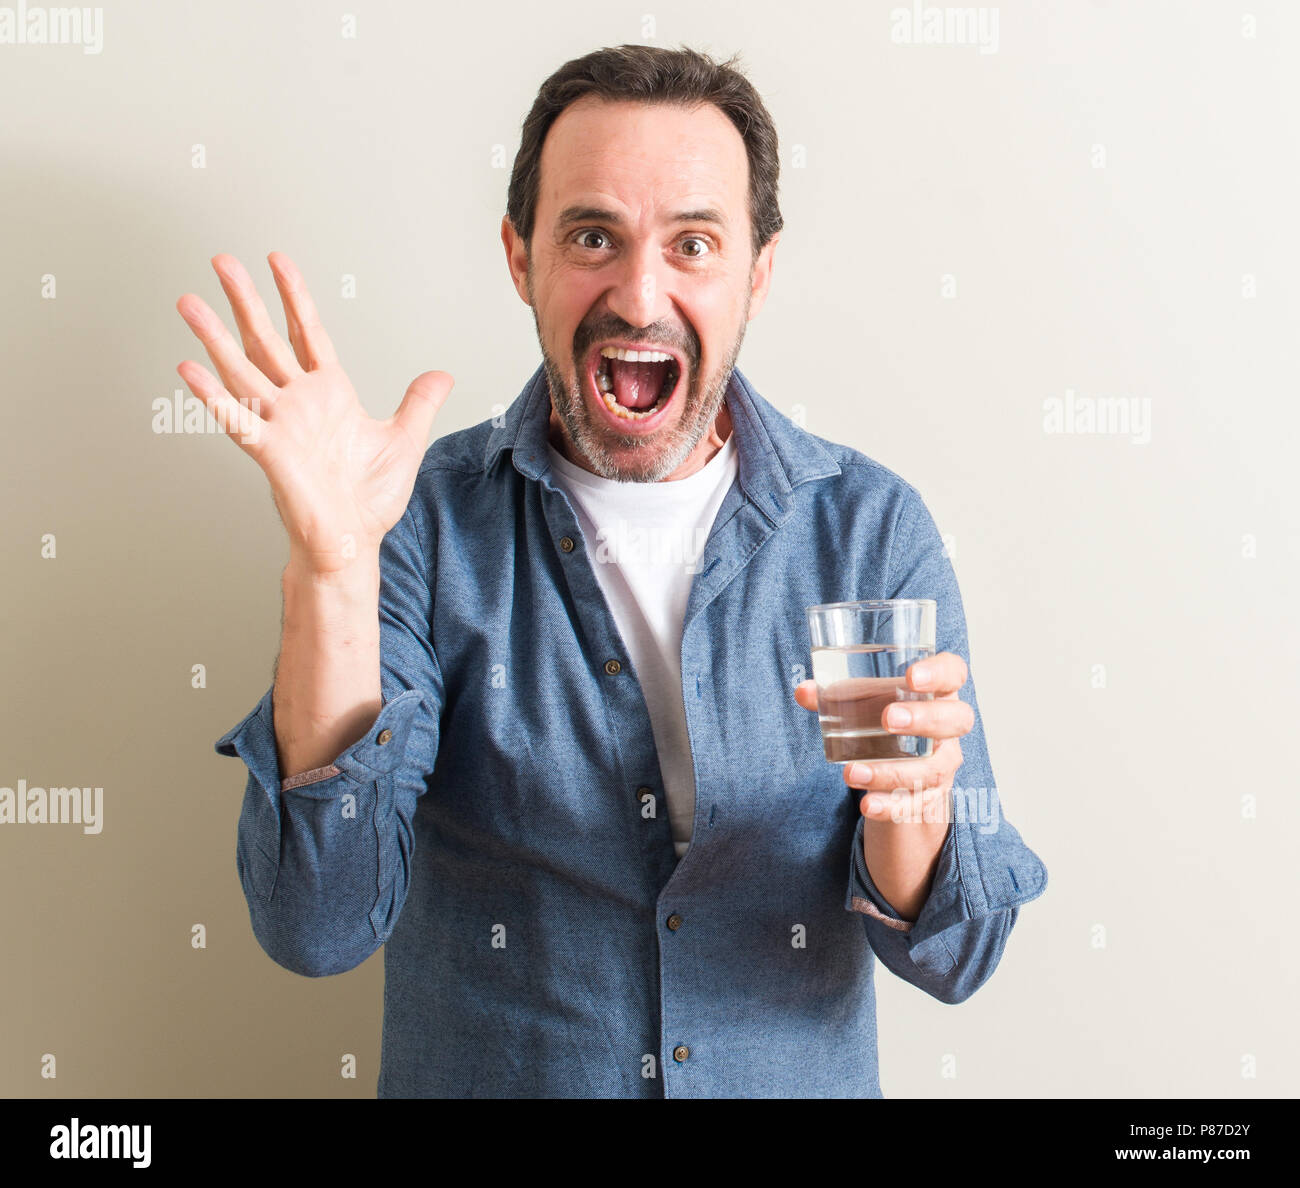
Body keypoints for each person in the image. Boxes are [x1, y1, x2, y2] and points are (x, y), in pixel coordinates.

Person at [176, 43, 1047, 1098]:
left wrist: (908, 813)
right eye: (594, 235)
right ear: (519, 256)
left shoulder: (866, 533)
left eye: (692, 243)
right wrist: (329, 570)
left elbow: (957, 956)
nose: (639, 293)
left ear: (756, 274)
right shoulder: (418, 524)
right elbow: (317, 924)